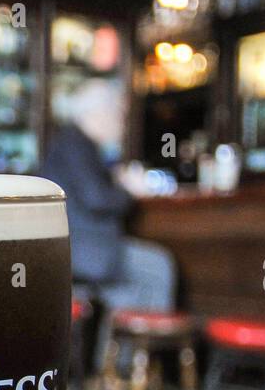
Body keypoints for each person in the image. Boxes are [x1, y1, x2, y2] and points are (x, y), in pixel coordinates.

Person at [39, 79, 176, 369]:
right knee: (159, 265)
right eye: (119, 114)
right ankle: (137, 368)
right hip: (84, 254)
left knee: (134, 286)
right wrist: (130, 189)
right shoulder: (76, 144)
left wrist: (117, 181)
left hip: (76, 252)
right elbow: (97, 199)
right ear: (98, 114)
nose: (122, 123)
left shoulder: (73, 143)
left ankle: (117, 369)